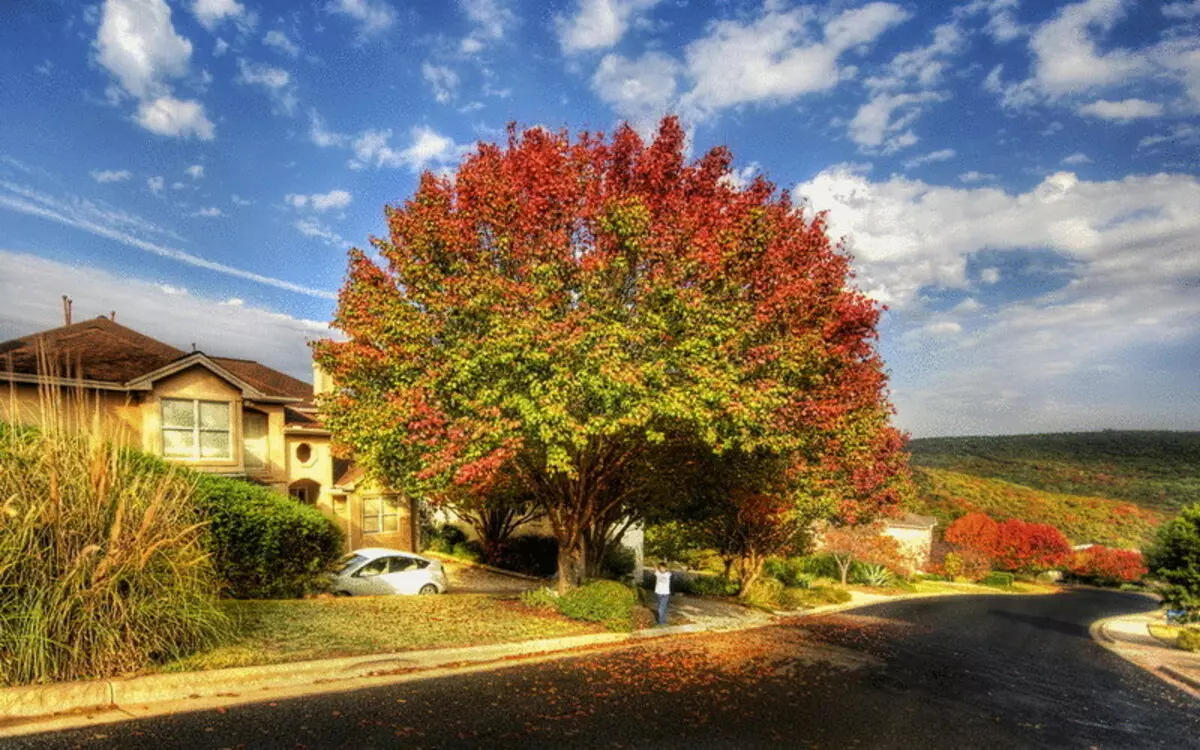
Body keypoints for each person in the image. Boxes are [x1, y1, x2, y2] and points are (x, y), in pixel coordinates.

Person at [653, 560, 672, 626]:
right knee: (661, 608)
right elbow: (655, 568)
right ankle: (661, 622)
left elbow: (669, 569)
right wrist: (654, 563)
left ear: (666, 568)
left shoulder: (668, 574)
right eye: (660, 568)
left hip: (666, 594)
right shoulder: (658, 573)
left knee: (662, 608)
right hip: (659, 593)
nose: (662, 569)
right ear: (659, 568)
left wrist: (666, 565)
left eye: (663, 568)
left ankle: (662, 622)